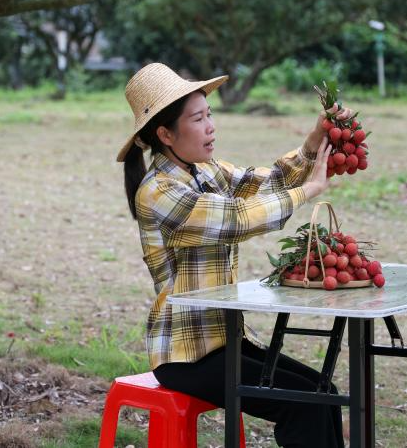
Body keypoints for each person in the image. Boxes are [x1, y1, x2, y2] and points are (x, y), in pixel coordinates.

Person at [118, 63, 348, 448]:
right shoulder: (158, 192)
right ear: (165, 133)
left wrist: (313, 142)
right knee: (302, 404)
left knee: (323, 389)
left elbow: (269, 181)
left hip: (225, 341)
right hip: (186, 356)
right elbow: (235, 220)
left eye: (209, 115)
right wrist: (309, 191)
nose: (211, 126)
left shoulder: (208, 171)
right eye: (198, 119)